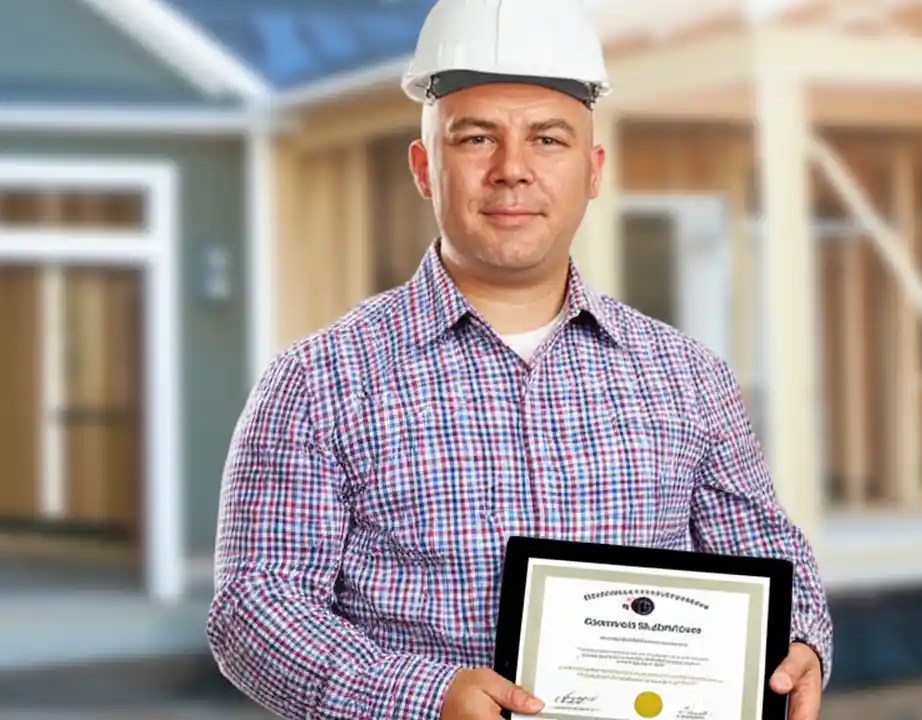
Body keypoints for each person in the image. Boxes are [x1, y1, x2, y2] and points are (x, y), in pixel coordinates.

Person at [206, 1, 833, 718]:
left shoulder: (688, 376)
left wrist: (799, 639)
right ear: (424, 166)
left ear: (593, 170)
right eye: (476, 138)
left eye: (548, 139)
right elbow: (255, 609)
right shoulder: (318, 381)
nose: (512, 170)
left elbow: (763, 548)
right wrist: (426, 698)